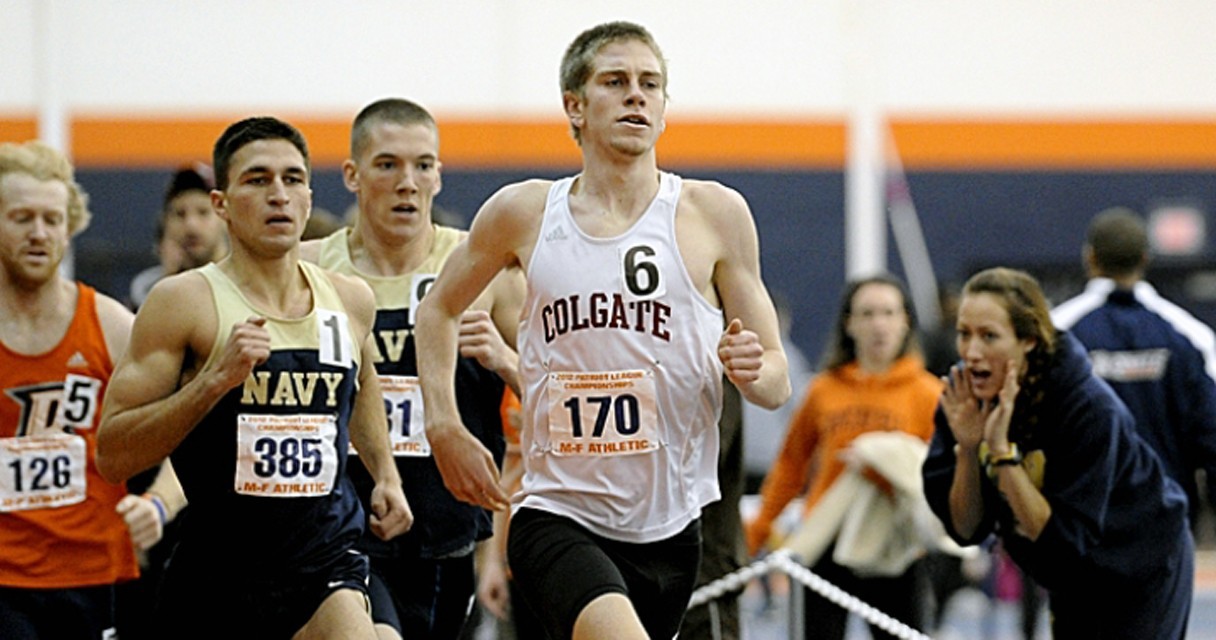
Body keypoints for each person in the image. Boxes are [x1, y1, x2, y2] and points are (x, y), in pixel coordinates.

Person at [415, 20, 791, 640]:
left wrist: (756, 370)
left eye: (651, 84)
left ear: (666, 108)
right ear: (575, 106)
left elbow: (775, 382)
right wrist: (444, 425)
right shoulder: (525, 212)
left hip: (673, 528)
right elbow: (438, 310)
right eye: (616, 82)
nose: (636, 96)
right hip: (557, 514)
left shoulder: (714, 213)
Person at [95, 116, 413, 639]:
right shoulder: (184, 303)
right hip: (221, 568)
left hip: (326, 555)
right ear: (222, 204)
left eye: (292, 179)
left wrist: (386, 474)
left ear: (310, 196)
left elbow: (363, 385)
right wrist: (212, 382)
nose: (279, 195)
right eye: (258, 180)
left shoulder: (350, 299)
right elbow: (113, 454)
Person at [300, 97, 523, 640]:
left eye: (423, 165)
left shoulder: (484, 269)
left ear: (439, 176)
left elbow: (560, 394)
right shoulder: (308, 270)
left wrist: (504, 358)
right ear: (353, 175)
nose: (408, 182)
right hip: (341, 527)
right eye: (388, 165)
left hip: (447, 530)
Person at [922, 267, 1193, 639]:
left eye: (989, 336)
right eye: (964, 334)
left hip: (1141, 559)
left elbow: (1064, 543)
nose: (972, 352)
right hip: (1070, 574)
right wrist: (968, 450)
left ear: (1028, 341)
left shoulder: (1086, 407)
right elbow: (966, 529)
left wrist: (1002, 454)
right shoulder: (963, 400)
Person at [0, 140, 177, 639]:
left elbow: (186, 437)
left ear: (70, 226)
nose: (39, 233)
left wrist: (157, 504)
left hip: (94, 575)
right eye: (21, 217)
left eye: (52, 219)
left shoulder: (111, 325)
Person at [745, 274, 941, 640]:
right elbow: (791, 464)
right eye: (867, 314)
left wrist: (887, 467)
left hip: (894, 547)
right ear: (849, 323)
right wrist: (759, 529)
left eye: (888, 313)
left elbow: (940, 474)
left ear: (905, 321)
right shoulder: (823, 389)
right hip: (826, 542)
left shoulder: (929, 394)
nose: (878, 324)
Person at [1051, 206, 1216, 533]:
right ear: (1144, 258)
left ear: (1090, 258)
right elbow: (1211, 433)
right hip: (1167, 521)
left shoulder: (1056, 332)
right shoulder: (1189, 335)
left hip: (1080, 525)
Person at [127, 165, 228, 310]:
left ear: (224, 217)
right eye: (180, 214)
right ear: (166, 223)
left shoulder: (250, 288)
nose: (191, 225)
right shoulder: (143, 296)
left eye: (203, 212)